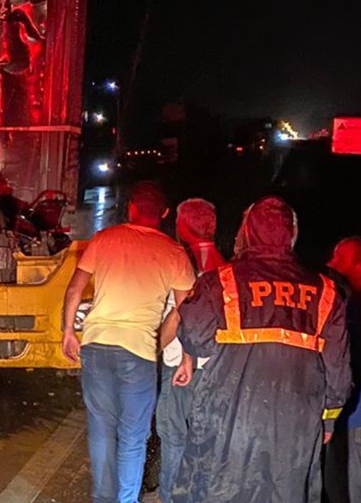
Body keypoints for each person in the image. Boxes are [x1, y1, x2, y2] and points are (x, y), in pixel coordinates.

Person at [171, 197, 352, 503]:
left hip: (228, 418)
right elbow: (338, 371)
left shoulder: (222, 280)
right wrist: (329, 419)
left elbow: (194, 338)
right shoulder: (326, 292)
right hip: (295, 422)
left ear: (247, 232)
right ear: (292, 235)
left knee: (218, 490)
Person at [61, 181, 196, 503]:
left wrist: (68, 331)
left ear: (131, 207)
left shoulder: (104, 239)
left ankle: (103, 498)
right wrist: (184, 355)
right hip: (138, 351)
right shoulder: (174, 253)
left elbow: (74, 289)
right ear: (165, 213)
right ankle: (125, 500)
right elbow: (186, 311)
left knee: (101, 428)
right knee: (133, 435)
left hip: (96, 345)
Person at [154, 198, 218, 502]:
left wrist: (154, 349)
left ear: (182, 226)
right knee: (204, 437)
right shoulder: (227, 265)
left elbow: (180, 313)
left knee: (173, 434)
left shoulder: (180, 262)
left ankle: (169, 495)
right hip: (216, 365)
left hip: (181, 364)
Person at [326, 236, 361, 503]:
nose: (333, 266)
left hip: (357, 414)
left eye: (341, 260)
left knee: (347, 489)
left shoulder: (357, 307)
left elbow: (347, 363)